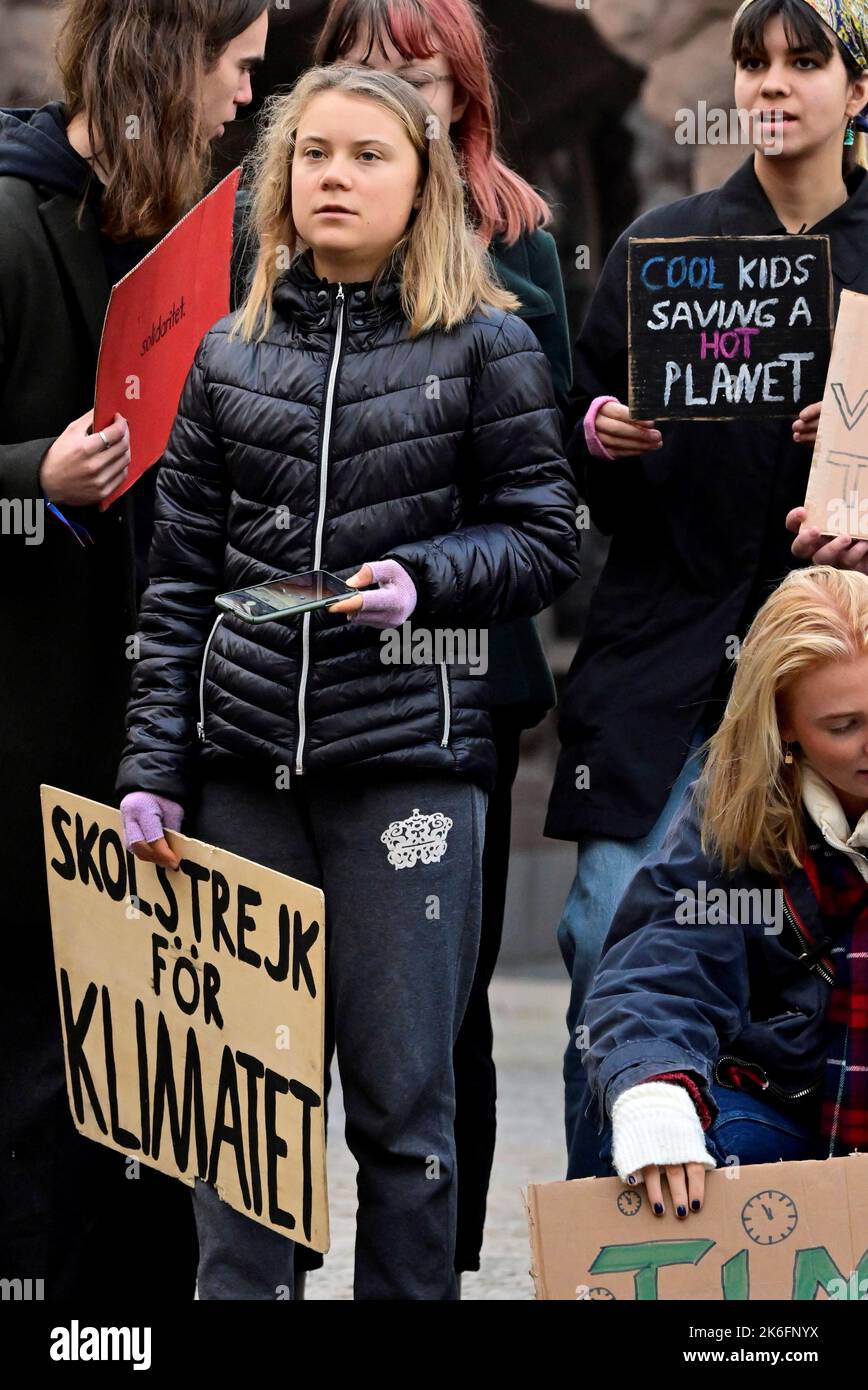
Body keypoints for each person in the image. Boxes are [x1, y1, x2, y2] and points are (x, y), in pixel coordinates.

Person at [116, 63, 581, 1301]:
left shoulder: (489, 343)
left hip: (407, 773)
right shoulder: (227, 352)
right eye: (313, 153)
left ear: (422, 181)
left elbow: (545, 536)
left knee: (404, 1113)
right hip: (241, 779)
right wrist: (152, 770)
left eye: (367, 155)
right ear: (281, 178)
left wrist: (424, 579)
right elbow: (177, 590)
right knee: (242, 1124)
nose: (334, 174)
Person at [545, 0, 868, 1180]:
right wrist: (601, 432)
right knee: (605, 933)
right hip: (667, 662)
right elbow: (560, 461)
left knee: (810, 985)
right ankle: (606, 1232)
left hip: (838, 663)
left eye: (804, 60)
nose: (771, 83)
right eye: (750, 61)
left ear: (859, 92)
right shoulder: (662, 249)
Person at [0, 0, 269, 1299]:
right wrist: (28, 477)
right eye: (237, 69)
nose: (243, 103)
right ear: (175, 64)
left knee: (158, 1090)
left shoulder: (197, 235)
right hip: (29, 750)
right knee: (34, 1088)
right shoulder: (7, 224)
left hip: (159, 747)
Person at [303, 0, 574, 1284]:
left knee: (440, 1007)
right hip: (298, 677)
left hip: (455, 668)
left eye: (419, 76)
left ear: (462, 89)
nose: (394, 100)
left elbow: (546, 476)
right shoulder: (288, 240)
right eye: (369, 75)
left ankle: (434, 1269)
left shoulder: (519, 247)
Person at [583, 566, 868, 1207]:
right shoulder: (736, 806)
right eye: (843, 726)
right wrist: (655, 1089)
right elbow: (665, 961)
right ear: (785, 725)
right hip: (796, 1110)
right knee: (660, 1143)